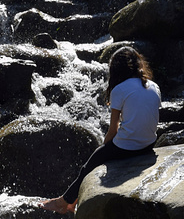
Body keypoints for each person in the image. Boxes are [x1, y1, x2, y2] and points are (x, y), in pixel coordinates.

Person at [41, 46, 161, 215]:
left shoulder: (120, 89)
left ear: (116, 70)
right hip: (149, 145)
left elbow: (113, 130)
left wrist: (103, 150)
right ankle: (70, 202)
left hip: (127, 148)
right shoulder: (154, 86)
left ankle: (63, 202)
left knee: (88, 166)